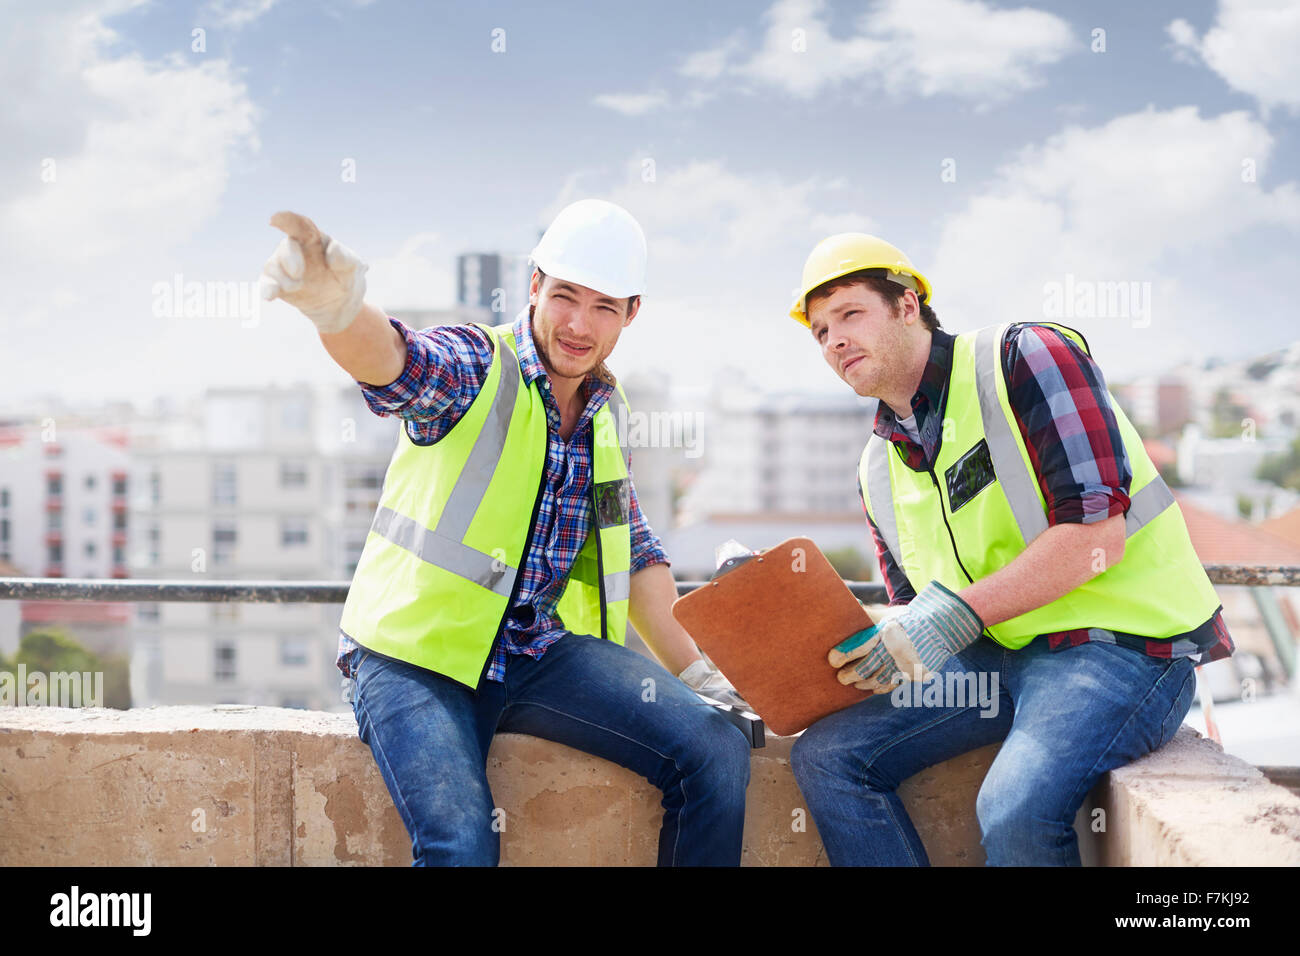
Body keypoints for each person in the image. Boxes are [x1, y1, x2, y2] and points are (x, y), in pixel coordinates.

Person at [257, 200, 751, 866]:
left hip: (535, 651)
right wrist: (337, 312)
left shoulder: (607, 414)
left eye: (604, 306)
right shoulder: (479, 366)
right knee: (461, 846)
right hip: (417, 657)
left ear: (632, 314)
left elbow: (633, 550)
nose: (578, 324)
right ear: (534, 287)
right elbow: (401, 365)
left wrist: (699, 672)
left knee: (716, 750)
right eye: (565, 296)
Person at [784, 233, 1234, 866]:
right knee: (827, 756)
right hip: (1000, 656)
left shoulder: (1025, 359)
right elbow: (916, 607)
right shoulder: (876, 467)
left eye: (851, 313)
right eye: (820, 330)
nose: (834, 340)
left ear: (908, 304)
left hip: (1123, 646)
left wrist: (945, 619)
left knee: (1014, 808)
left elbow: (1097, 537)